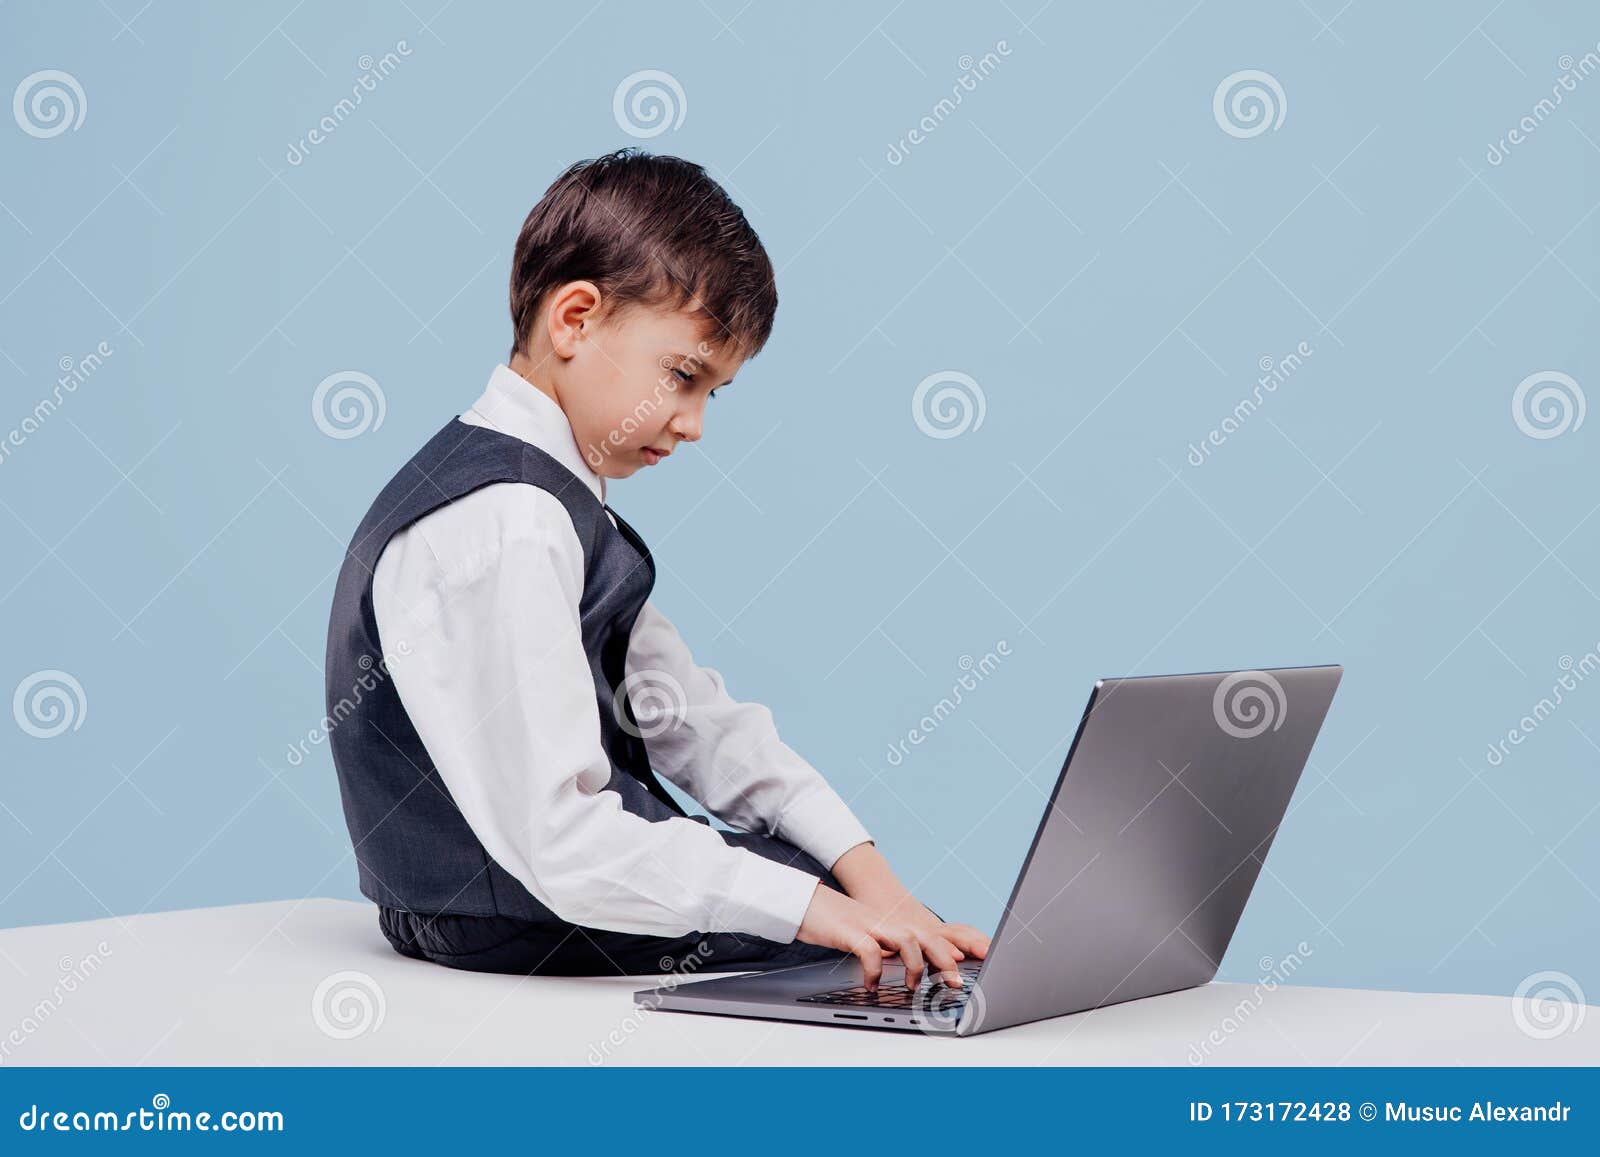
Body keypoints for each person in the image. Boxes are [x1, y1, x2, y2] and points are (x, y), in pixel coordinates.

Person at [325, 149, 988, 993]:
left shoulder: (555, 501)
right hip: (492, 911)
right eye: (683, 376)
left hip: (513, 897)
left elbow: (691, 717)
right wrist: (816, 908)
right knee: (840, 939)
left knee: (846, 902)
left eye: (714, 392)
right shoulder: (508, 521)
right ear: (575, 319)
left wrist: (874, 882)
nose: (695, 423)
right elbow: (559, 840)